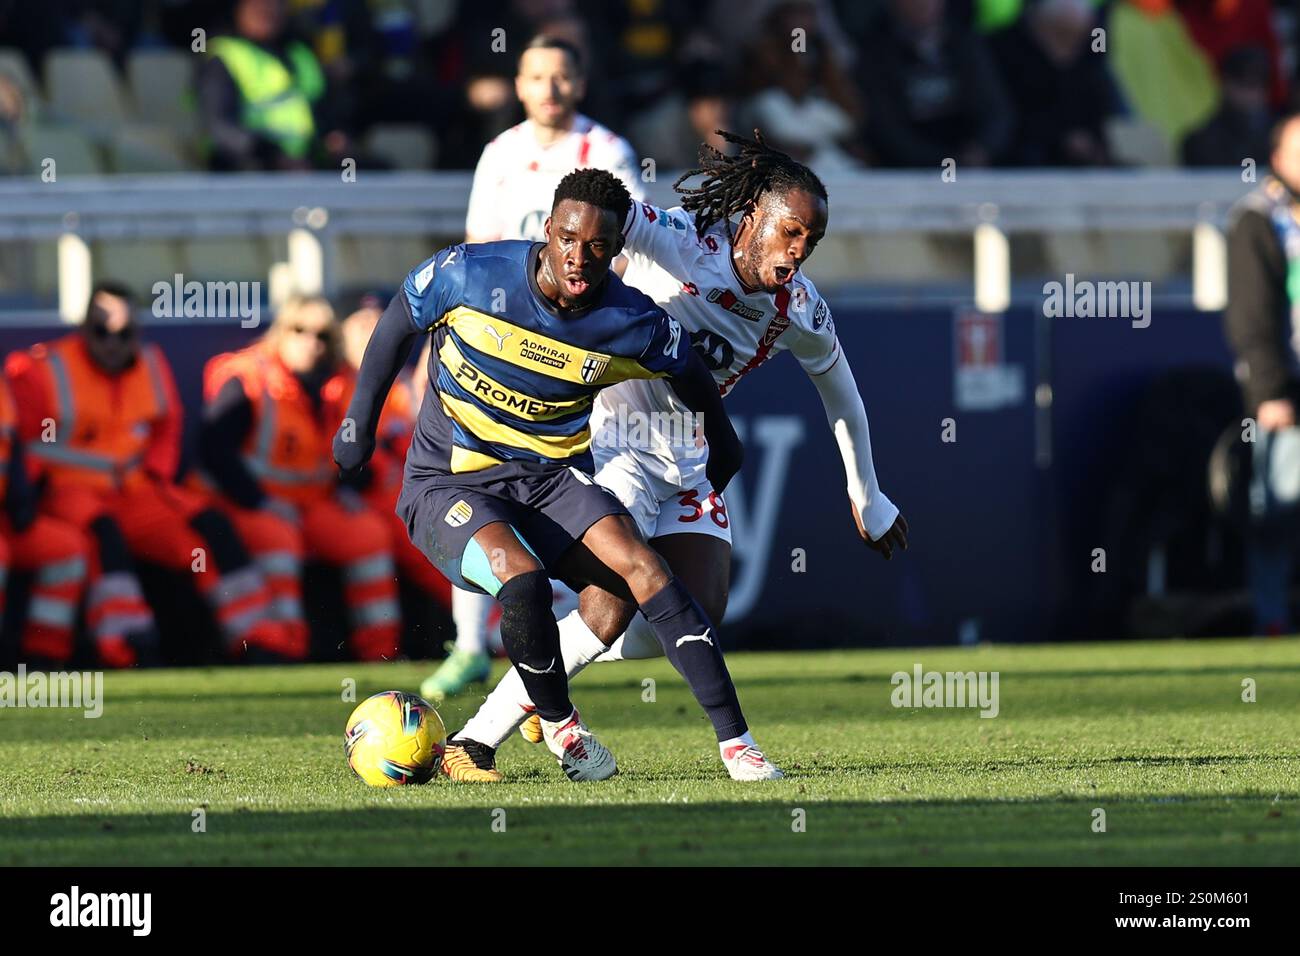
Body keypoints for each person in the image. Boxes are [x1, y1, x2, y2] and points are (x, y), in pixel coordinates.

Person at [451, 129, 908, 780]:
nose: (799, 251)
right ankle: (475, 740)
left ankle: (542, 665)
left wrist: (868, 495)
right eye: (790, 233)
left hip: (687, 457)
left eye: (811, 241)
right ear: (754, 218)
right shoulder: (680, 239)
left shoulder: (799, 309)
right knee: (613, 602)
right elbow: (595, 216)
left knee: (696, 609)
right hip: (612, 442)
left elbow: (844, 398)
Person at [334, 168, 754, 783]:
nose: (578, 259)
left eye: (598, 248)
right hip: (450, 485)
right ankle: (561, 724)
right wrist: (357, 425)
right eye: (566, 239)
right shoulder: (471, 274)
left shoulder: (631, 321)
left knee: (639, 573)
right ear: (548, 230)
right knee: (523, 581)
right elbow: (399, 320)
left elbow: (690, 375)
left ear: (616, 250)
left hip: (549, 482)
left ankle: (738, 745)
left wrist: (723, 440)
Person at [422, 32, 646, 704]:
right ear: (519, 86)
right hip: (496, 346)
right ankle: (469, 646)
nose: (549, 87)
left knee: (556, 488)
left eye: (560, 76)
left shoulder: (606, 152)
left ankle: (545, 650)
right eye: (536, 76)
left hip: (571, 350)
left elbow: (627, 249)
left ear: (579, 85)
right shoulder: (500, 153)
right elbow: (475, 249)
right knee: (474, 483)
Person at [4, 282, 292, 667]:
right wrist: (32, 491)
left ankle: (255, 638)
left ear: (136, 333)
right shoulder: (43, 368)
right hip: (69, 490)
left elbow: (167, 425)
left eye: (123, 333)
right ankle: (125, 644)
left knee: (206, 534)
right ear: (83, 327)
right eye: (101, 331)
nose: (112, 343)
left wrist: (157, 472)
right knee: (103, 538)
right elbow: (23, 441)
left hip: (137, 490)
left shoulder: (151, 365)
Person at [198, 295, 403, 661]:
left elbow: (360, 447)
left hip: (312, 501)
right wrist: (262, 502)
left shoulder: (342, 382)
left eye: (322, 334)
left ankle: (382, 653)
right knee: (279, 540)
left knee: (368, 536)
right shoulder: (249, 378)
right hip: (244, 502)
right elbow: (213, 449)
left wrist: (349, 486)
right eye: (300, 330)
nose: (312, 342)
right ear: (281, 331)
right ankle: (283, 649)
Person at [1224, 112, 1300, 635]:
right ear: (1277, 158)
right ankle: (1272, 618)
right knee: (1279, 509)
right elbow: (1251, 316)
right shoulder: (1260, 220)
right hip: (1290, 389)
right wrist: (1270, 390)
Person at [337, 295, 451, 612]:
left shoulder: (407, 385)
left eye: (378, 322)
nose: (371, 332)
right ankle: (379, 650)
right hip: (356, 501)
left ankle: (490, 633)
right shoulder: (333, 386)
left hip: (408, 497)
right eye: (360, 325)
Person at [0, 373, 90, 668]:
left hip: (6, 516)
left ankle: (44, 659)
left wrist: (21, 495)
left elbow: (11, 446)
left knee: (66, 549)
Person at [197, 0, 353, 171]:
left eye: (276, 3)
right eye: (258, 4)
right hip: (248, 166)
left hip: (306, 161)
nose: (267, 9)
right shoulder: (224, 56)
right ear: (238, 8)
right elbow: (221, 127)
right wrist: (270, 155)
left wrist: (333, 137)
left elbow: (322, 111)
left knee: (370, 170)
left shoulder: (301, 54)